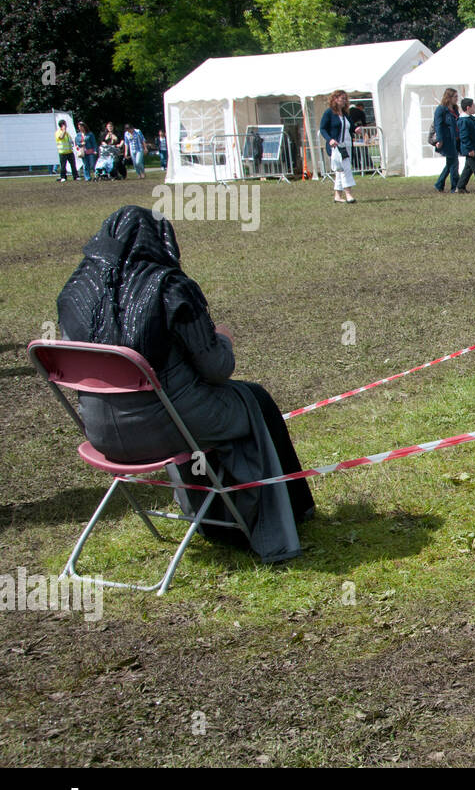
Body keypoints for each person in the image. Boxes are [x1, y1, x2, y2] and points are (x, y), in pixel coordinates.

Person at [56, 206, 315, 563]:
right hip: (167, 427)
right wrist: (222, 338)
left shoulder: (74, 293)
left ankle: (218, 518)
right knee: (255, 401)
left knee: (227, 403)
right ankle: (281, 521)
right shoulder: (169, 289)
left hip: (101, 435)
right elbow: (217, 369)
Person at [319, 89, 357, 204]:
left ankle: (337, 196)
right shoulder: (329, 113)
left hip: (347, 144)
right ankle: (348, 194)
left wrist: (355, 129)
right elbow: (323, 128)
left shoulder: (345, 114)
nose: (344, 101)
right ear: (335, 99)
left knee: (340, 171)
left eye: (346, 99)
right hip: (337, 146)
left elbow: (350, 126)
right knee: (346, 169)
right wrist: (330, 139)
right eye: (342, 98)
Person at [454, 98, 475, 193]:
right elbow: (464, 136)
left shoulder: (472, 118)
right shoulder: (463, 120)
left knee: (468, 169)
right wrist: (469, 149)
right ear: (468, 107)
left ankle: (460, 187)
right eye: (473, 106)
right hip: (470, 149)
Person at [431, 88, 461, 191]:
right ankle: (455, 186)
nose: (457, 99)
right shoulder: (441, 109)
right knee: (454, 163)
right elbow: (438, 125)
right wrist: (439, 140)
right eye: (455, 97)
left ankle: (439, 184)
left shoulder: (455, 109)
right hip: (447, 140)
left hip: (456, 139)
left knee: (450, 163)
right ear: (449, 97)